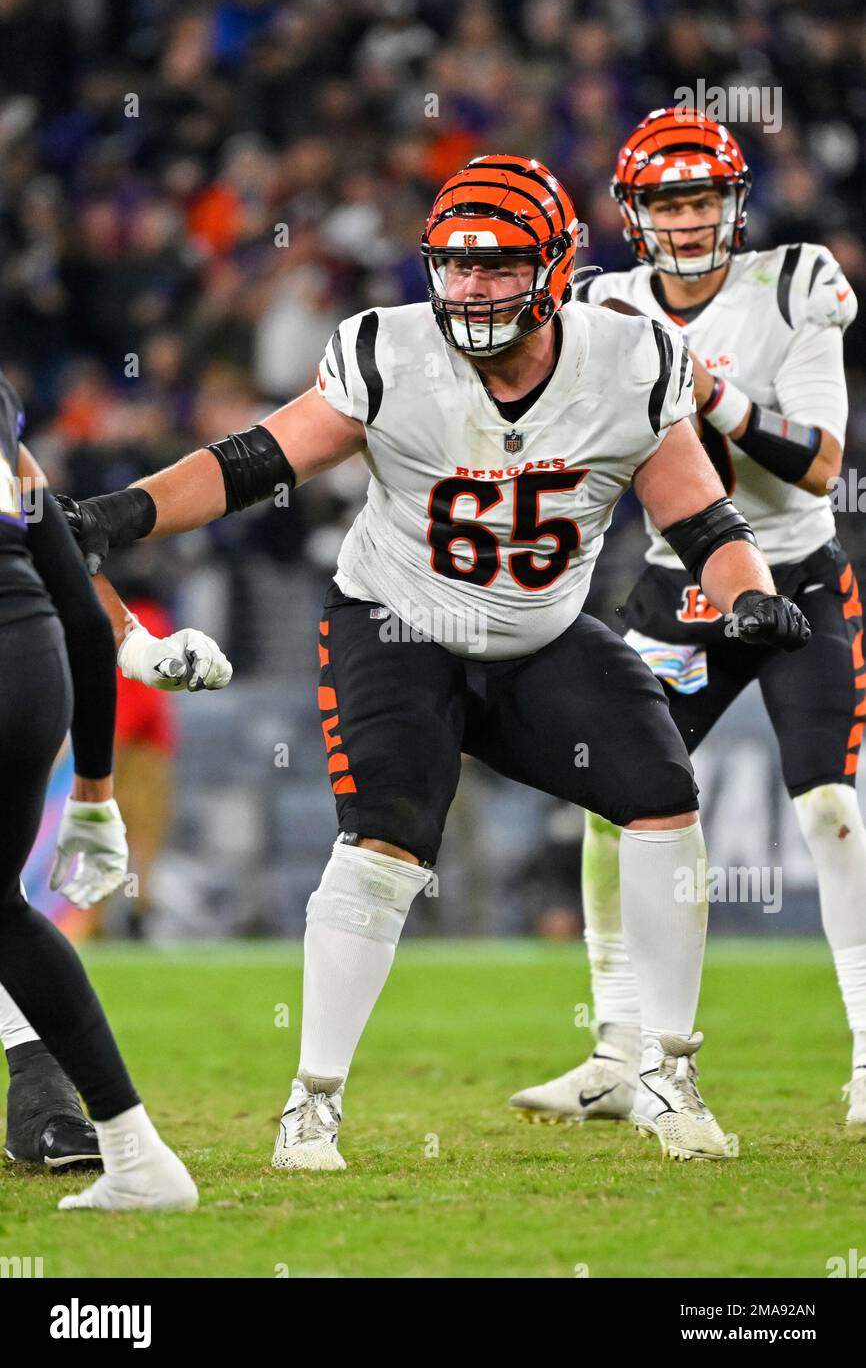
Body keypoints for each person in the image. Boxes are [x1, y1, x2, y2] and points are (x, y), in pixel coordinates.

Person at [59, 155, 809, 1166]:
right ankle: (312, 1099)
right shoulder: (388, 350)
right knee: (385, 840)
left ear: (554, 267)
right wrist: (117, 514)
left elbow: (701, 515)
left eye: (498, 268)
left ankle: (665, 1071)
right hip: (396, 626)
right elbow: (255, 461)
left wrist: (750, 595)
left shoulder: (628, 362)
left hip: (540, 637)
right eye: (454, 268)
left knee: (661, 794)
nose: (470, 290)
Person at [508, 108, 866, 1135]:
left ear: (732, 205)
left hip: (792, 577)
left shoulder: (791, 283)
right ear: (634, 213)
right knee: (610, 800)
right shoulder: (603, 303)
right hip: (676, 590)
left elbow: (820, 462)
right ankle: (618, 1050)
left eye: (701, 197)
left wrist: (716, 397)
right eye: (666, 200)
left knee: (826, 807)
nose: (686, 218)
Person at [0, 368, 232, 1187]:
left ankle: (51, 1100)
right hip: (30, 670)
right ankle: (102, 1133)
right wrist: (94, 793)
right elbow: (68, 586)